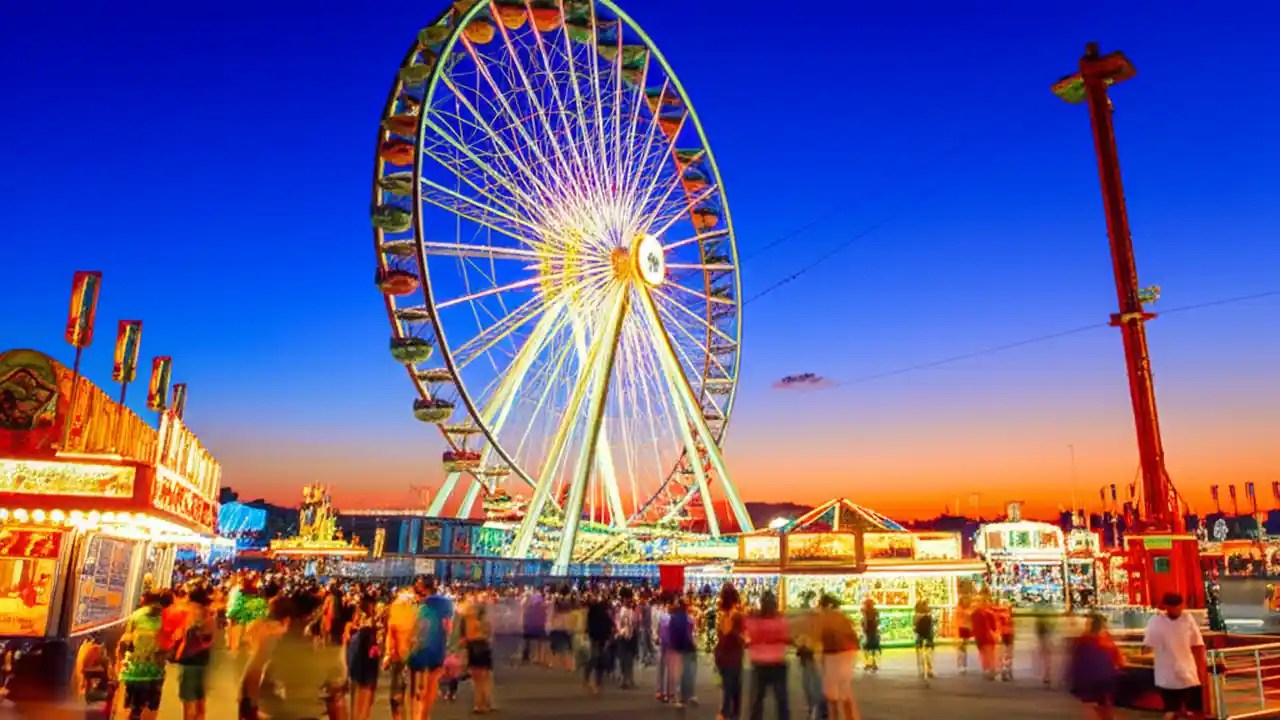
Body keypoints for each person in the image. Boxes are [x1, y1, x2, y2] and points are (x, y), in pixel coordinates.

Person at [1143, 592, 1206, 720]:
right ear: (1165, 606)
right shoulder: (1156, 622)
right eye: (1172, 606)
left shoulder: (1188, 620)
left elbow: (1198, 645)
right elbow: (1147, 646)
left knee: (1194, 711)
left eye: (1178, 606)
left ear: (1182, 605)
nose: (1176, 609)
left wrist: (1201, 669)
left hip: (1188, 673)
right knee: (1171, 711)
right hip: (1166, 674)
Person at [408, 577, 455, 720]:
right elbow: (448, 626)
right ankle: (424, 714)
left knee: (416, 683)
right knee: (432, 681)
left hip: (418, 646)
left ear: (424, 588)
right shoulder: (446, 603)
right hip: (437, 646)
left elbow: (414, 625)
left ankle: (417, 714)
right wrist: (448, 645)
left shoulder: (419, 604)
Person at [118, 592, 167, 720]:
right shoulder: (164, 617)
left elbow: (127, 639)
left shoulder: (136, 615)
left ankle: (134, 711)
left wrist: (121, 658)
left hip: (135, 666)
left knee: (134, 701)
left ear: (145, 600)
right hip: (155, 667)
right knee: (151, 704)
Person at [1068, 614, 1124, 720]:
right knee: (1106, 707)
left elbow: (1078, 660)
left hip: (1089, 680)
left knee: (1091, 707)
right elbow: (1117, 659)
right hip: (1106, 678)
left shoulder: (1084, 640)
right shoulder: (1106, 639)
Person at [174, 586, 217, 720]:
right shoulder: (209, 615)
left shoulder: (188, 613)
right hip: (204, 661)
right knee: (200, 699)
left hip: (189, 660)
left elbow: (179, 635)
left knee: (188, 702)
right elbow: (212, 640)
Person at [745, 591, 790, 720]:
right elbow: (785, 636)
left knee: (757, 700)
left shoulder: (754, 620)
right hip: (778, 661)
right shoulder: (780, 620)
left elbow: (750, 636)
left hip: (759, 662)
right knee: (781, 700)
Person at [385, 579, 424, 719]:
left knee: (398, 696)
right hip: (412, 657)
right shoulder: (418, 609)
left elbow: (392, 632)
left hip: (402, 658)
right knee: (413, 695)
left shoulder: (399, 607)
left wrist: (388, 654)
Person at [817, 595, 860, 720]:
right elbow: (853, 636)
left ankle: (836, 717)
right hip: (847, 653)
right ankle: (850, 717)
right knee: (844, 691)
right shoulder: (842, 617)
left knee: (833, 694)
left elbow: (821, 637)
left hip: (834, 654)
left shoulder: (826, 617)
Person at [346, 596, 382, 720]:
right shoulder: (369, 623)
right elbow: (374, 647)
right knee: (366, 695)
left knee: (360, 695)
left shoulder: (356, 622)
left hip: (358, 661)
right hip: (367, 661)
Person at [714, 584, 746, 720]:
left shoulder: (721, 616)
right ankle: (732, 712)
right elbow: (739, 636)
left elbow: (721, 634)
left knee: (728, 684)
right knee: (734, 684)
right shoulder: (738, 616)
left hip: (722, 654)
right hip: (734, 654)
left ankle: (726, 712)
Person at [462, 596, 496, 713]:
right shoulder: (486, 622)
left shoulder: (468, 619)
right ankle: (487, 702)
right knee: (486, 677)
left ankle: (478, 704)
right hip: (483, 647)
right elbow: (489, 635)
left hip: (473, 647)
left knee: (476, 679)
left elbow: (466, 636)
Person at [586, 592, 615, 694]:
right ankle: (597, 683)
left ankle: (589, 679)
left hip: (596, 639)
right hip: (601, 640)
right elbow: (611, 626)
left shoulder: (593, 613)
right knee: (599, 662)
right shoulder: (604, 615)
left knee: (594, 660)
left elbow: (589, 627)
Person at [616, 588, 640, 689]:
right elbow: (620, 624)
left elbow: (635, 623)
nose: (629, 600)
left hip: (630, 636)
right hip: (624, 636)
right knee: (624, 659)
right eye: (628, 598)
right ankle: (625, 679)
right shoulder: (622, 610)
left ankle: (629, 679)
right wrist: (622, 631)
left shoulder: (631, 610)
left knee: (629, 659)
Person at [913, 598, 935, 683]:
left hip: (920, 636)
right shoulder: (929, 614)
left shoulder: (916, 615)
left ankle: (923, 668)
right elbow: (932, 625)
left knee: (921, 652)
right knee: (928, 653)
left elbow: (914, 627)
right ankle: (929, 669)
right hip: (929, 636)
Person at [859, 598, 880, 674]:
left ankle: (867, 663)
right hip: (874, 630)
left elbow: (865, 620)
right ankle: (874, 663)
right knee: (873, 647)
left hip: (868, 630)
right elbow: (878, 621)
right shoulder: (875, 611)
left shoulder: (864, 611)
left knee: (866, 647)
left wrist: (865, 628)